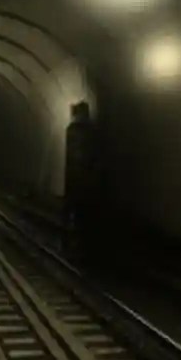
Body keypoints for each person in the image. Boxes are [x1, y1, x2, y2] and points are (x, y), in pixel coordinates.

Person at [63, 101, 101, 259]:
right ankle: (85, 247)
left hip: (74, 180)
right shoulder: (92, 131)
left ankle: (73, 245)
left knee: (75, 214)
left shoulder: (72, 130)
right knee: (86, 216)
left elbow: (70, 157)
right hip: (90, 182)